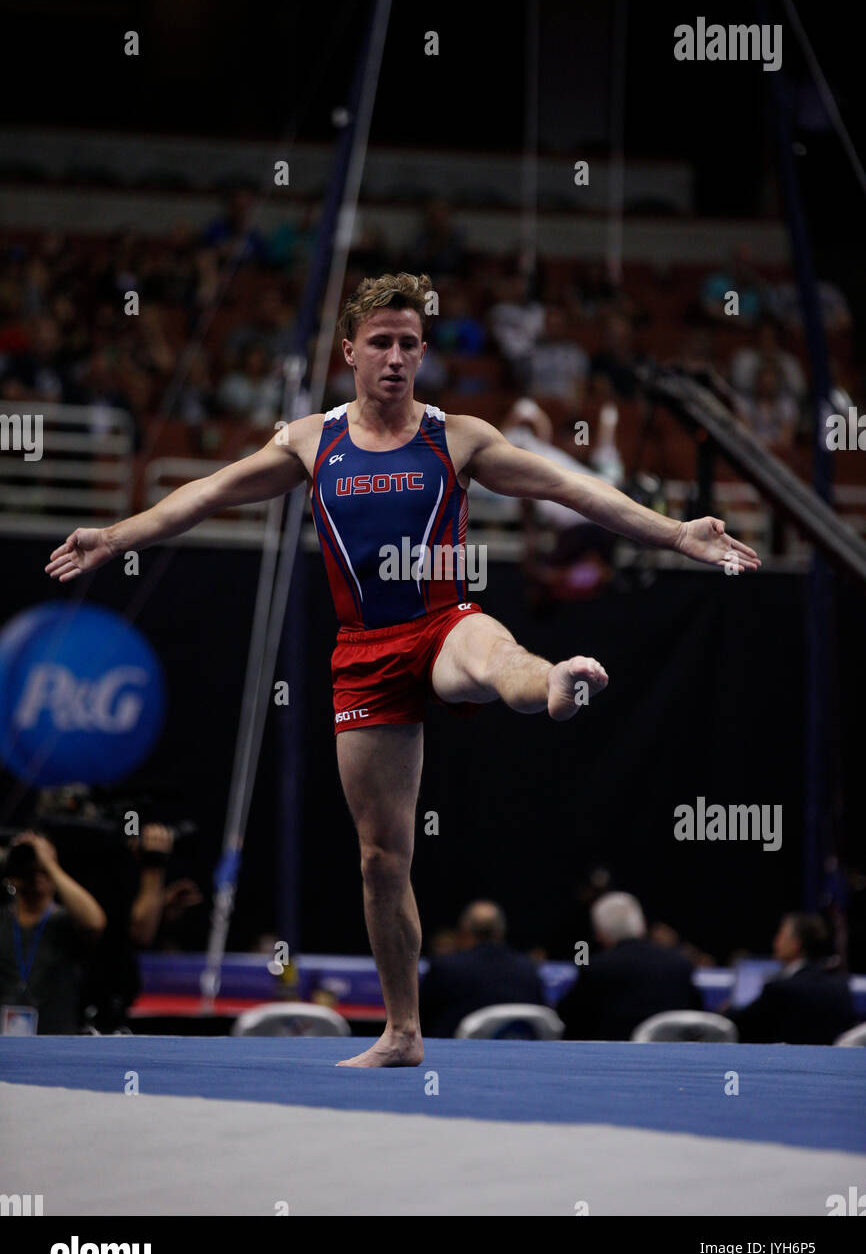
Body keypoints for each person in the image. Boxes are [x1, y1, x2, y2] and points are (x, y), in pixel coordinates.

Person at [45, 271, 760, 1067]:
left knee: (493, 654)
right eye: (380, 343)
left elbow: (576, 489)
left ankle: (552, 685)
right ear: (349, 350)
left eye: (409, 345)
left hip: (441, 621)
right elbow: (205, 494)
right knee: (383, 860)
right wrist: (116, 536)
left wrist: (676, 534)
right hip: (365, 656)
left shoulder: (459, 438)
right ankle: (404, 1031)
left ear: (424, 353)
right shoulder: (311, 441)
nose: (394, 358)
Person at [556, 893, 703, 1040]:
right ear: (642, 926)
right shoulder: (679, 964)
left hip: (611, 1059)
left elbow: (567, 1021)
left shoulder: (597, 968)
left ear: (599, 934)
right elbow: (698, 1019)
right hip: (672, 1059)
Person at [0, 832, 106, 1034]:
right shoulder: (3, 920)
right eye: (32, 861)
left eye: (43, 864)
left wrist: (48, 863)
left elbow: (95, 923)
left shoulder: (66, 921)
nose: (37, 868)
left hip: (57, 1041)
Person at [419, 900, 545, 1036]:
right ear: (500, 931)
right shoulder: (529, 968)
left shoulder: (445, 967)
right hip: (521, 1053)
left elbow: (420, 1019)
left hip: (458, 1053)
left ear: (464, 931)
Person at [730, 914, 856, 1045]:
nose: (775, 941)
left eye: (781, 935)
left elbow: (738, 1023)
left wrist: (727, 1009)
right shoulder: (840, 985)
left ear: (796, 944)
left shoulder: (780, 989)